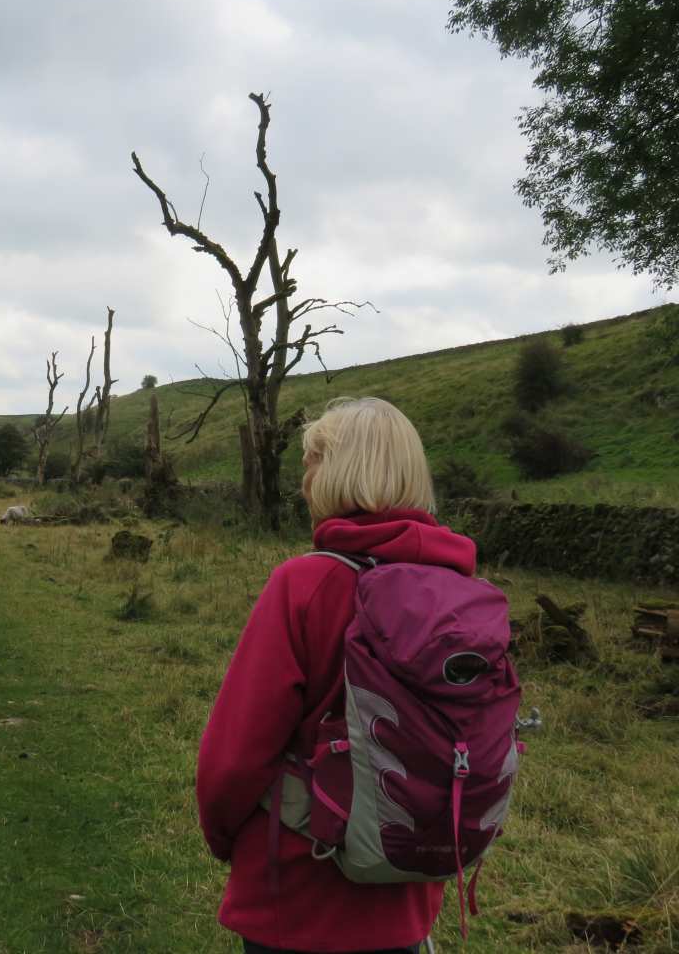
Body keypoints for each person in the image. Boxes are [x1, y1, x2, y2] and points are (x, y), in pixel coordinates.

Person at [197, 397, 478, 954]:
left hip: (298, 893)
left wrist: (227, 836)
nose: (305, 483)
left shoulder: (305, 585)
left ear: (333, 472)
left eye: (311, 466)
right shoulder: (462, 597)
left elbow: (234, 756)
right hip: (408, 888)